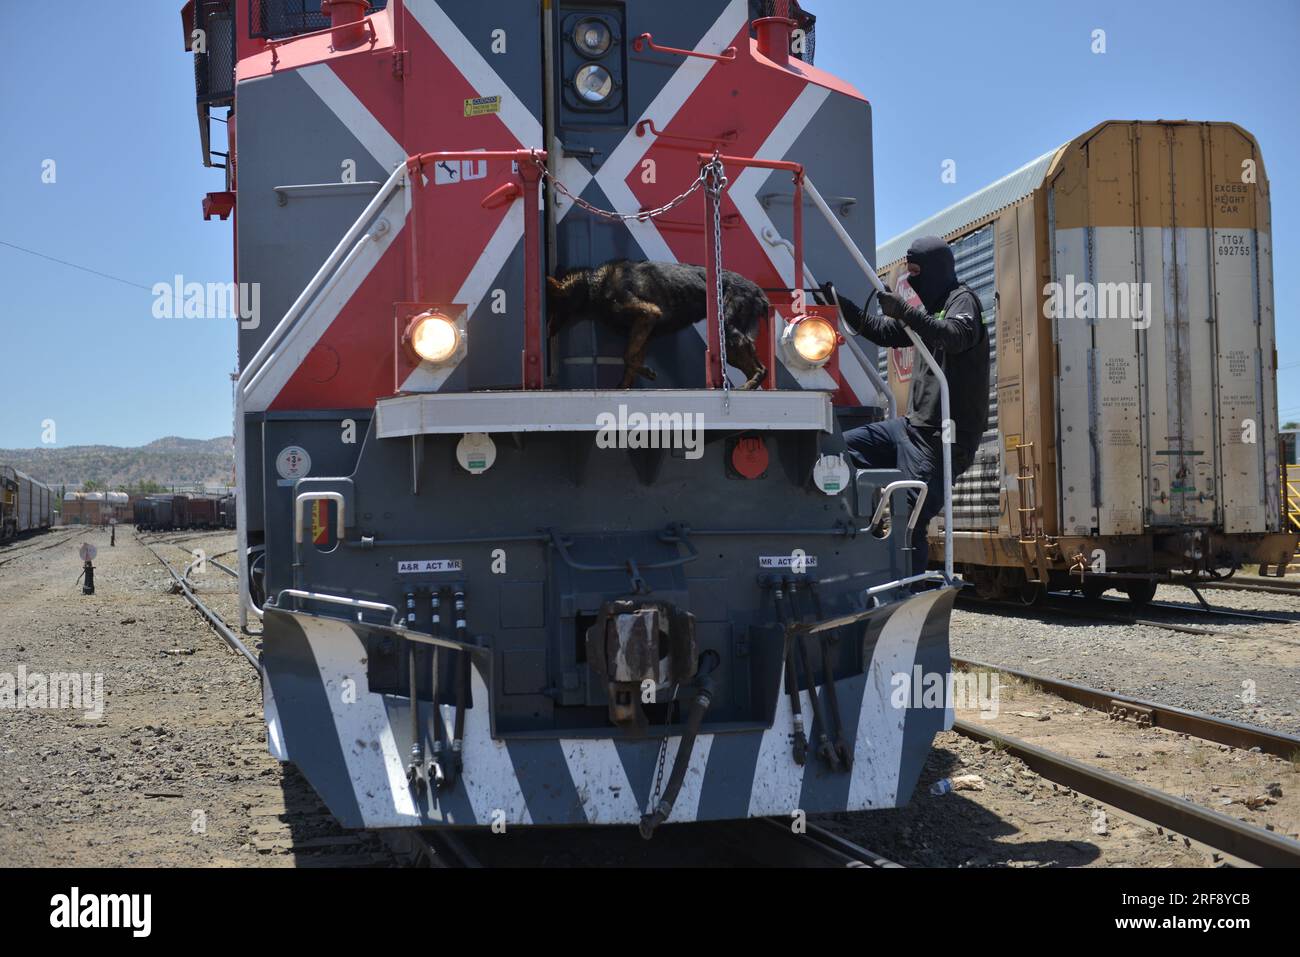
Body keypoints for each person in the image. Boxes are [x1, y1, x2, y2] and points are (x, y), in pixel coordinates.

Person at [835, 236, 990, 572]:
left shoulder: (963, 302)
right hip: (910, 428)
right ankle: (870, 514)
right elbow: (884, 332)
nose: (912, 281)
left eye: (917, 272)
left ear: (936, 270)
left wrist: (904, 311)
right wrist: (837, 302)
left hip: (940, 439)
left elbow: (952, 336)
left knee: (910, 519)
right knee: (839, 449)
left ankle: (911, 592)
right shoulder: (930, 310)